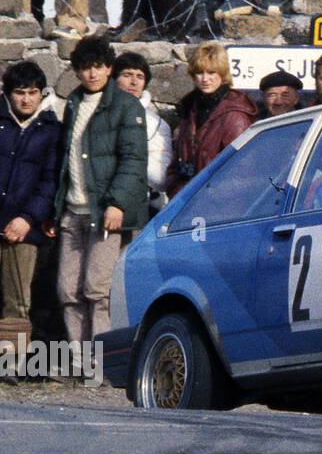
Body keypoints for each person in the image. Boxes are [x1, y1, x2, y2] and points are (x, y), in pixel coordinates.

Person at [53, 35, 147, 377]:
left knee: (97, 290)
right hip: (72, 211)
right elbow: (65, 160)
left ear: (109, 68)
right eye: (85, 68)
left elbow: (134, 159)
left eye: (98, 67)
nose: (92, 74)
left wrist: (117, 203)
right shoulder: (74, 103)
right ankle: (80, 364)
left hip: (105, 213)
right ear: (76, 71)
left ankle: (104, 366)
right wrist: (56, 209)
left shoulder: (126, 105)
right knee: (68, 290)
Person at [0, 62, 61, 325]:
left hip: (24, 227)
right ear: (8, 93)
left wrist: (27, 218)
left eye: (33, 92)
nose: (26, 99)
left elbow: (50, 181)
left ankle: (13, 364)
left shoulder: (51, 130)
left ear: (41, 94)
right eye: (20, 92)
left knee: (17, 303)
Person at [166, 42, 257, 196]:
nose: (205, 79)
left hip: (217, 205)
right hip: (187, 203)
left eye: (211, 72)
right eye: (199, 72)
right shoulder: (190, 109)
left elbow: (241, 173)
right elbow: (177, 163)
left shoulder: (235, 116)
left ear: (222, 74)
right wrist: (176, 190)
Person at [111, 53, 172, 215]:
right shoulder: (97, 114)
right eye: (127, 75)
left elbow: (160, 177)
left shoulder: (156, 124)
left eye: (140, 76)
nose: (134, 82)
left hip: (140, 204)